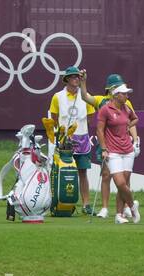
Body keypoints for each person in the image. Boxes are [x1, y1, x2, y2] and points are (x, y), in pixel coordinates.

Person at [80, 72, 136, 219]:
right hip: (106, 143)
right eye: (117, 86)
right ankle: (105, 208)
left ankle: (125, 207)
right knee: (106, 174)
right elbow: (85, 96)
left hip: (123, 144)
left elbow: (131, 122)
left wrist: (135, 140)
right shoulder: (101, 101)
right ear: (111, 89)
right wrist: (84, 81)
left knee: (124, 178)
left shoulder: (126, 102)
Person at [47, 66, 95, 213]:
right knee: (60, 171)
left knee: (82, 172)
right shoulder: (57, 96)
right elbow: (54, 118)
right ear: (67, 79)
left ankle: (86, 205)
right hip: (64, 141)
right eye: (73, 77)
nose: (76, 79)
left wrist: (80, 130)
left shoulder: (86, 96)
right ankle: (58, 202)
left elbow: (90, 118)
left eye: (77, 77)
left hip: (82, 139)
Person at [96, 84, 140, 224]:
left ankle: (119, 215)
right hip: (112, 152)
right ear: (116, 95)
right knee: (120, 183)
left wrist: (128, 125)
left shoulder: (126, 108)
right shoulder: (105, 109)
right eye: (124, 94)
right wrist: (103, 148)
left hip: (128, 151)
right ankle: (132, 206)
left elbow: (135, 119)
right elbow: (99, 131)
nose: (127, 96)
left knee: (125, 182)